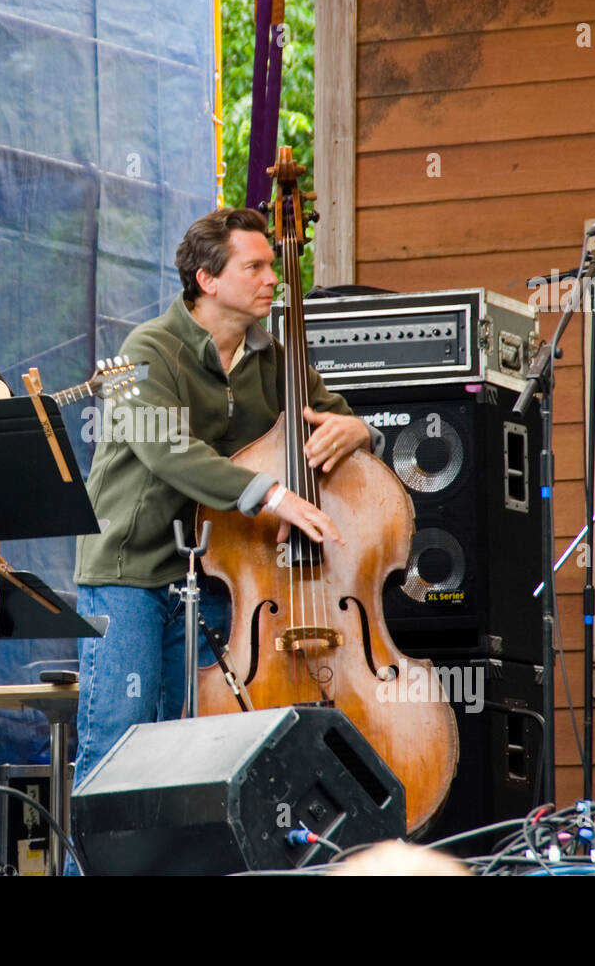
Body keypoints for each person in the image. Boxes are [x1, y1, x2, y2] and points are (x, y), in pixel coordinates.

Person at [71, 207, 380, 834]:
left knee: (199, 747)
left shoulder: (274, 356)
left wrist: (360, 428)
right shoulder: (148, 349)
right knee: (117, 741)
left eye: (273, 265)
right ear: (207, 280)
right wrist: (273, 494)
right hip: (132, 570)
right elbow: (168, 450)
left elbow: (338, 418)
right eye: (256, 266)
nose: (274, 279)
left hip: (218, 580)